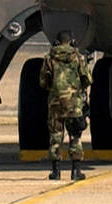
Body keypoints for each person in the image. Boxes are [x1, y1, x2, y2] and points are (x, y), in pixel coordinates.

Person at [39, 29, 92, 180]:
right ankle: (76, 171)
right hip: (74, 103)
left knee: (55, 135)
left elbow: (43, 82)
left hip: (55, 103)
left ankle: (56, 172)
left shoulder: (49, 58)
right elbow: (87, 79)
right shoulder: (78, 58)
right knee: (75, 136)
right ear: (72, 42)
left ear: (57, 42)